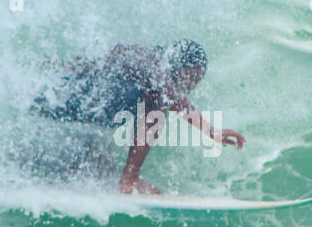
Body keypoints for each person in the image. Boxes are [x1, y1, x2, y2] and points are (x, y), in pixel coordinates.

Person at [31, 39, 245, 194]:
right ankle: (130, 179)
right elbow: (167, 91)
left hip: (66, 108)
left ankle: (81, 164)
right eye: (192, 75)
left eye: (199, 78)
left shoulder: (146, 72)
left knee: (100, 165)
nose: (193, 84)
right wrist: (211, 131)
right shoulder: (149, 61)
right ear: (176, 64)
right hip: (56, 97)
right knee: (157, 100)